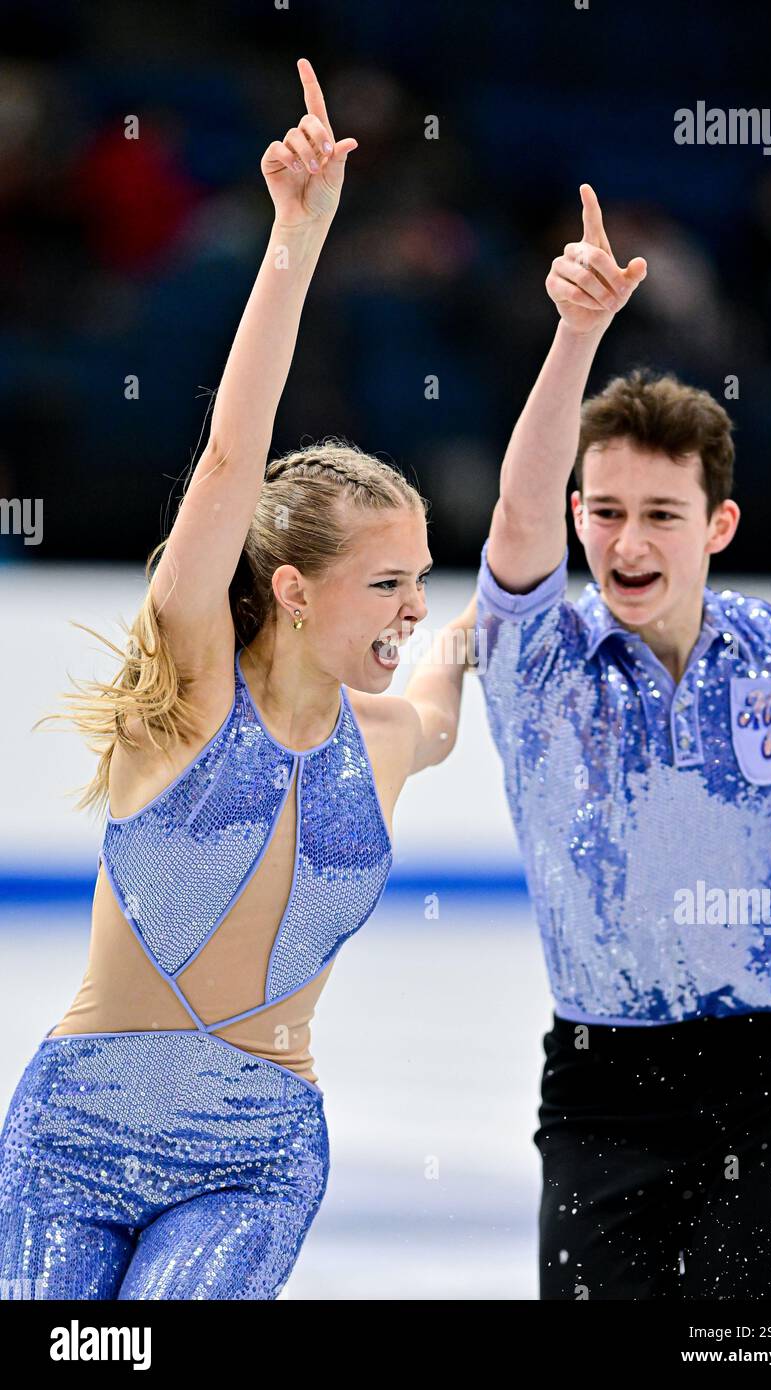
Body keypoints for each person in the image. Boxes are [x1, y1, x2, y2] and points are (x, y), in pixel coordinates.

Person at [0, 58, 474, 1302]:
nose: (413, 604)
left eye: (419, 577)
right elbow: (224, 461)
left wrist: (486, 627)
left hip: (258, 1153)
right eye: (386, 582)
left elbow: (452, 669)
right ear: (296, 590)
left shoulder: (392, 734)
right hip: (78, 1140)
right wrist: (295, 240)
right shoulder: (197, 697)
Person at [473, 183, 771, 1299]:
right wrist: (577, 333)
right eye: (602, 511)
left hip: (770, 1070)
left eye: (659, 515)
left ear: (716, 527)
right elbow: (512, 517)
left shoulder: (764, 648)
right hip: (601, 1086)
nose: (625, 540)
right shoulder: (536, 662)